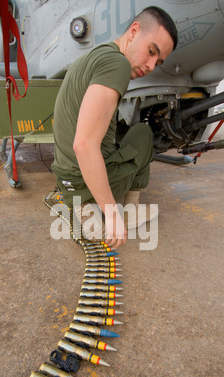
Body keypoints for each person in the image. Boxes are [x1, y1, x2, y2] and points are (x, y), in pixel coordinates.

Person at [51, 6, 178, 248]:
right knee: (142, 133)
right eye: (151, 51)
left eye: (158, 61)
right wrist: (112, 214)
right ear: (133, 31)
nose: (151, 65)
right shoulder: (117, 64)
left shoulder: (93, 56)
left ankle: (84, 203)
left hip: (65, 178)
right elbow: (85, 145)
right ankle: (121, 210)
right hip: (81, 182)